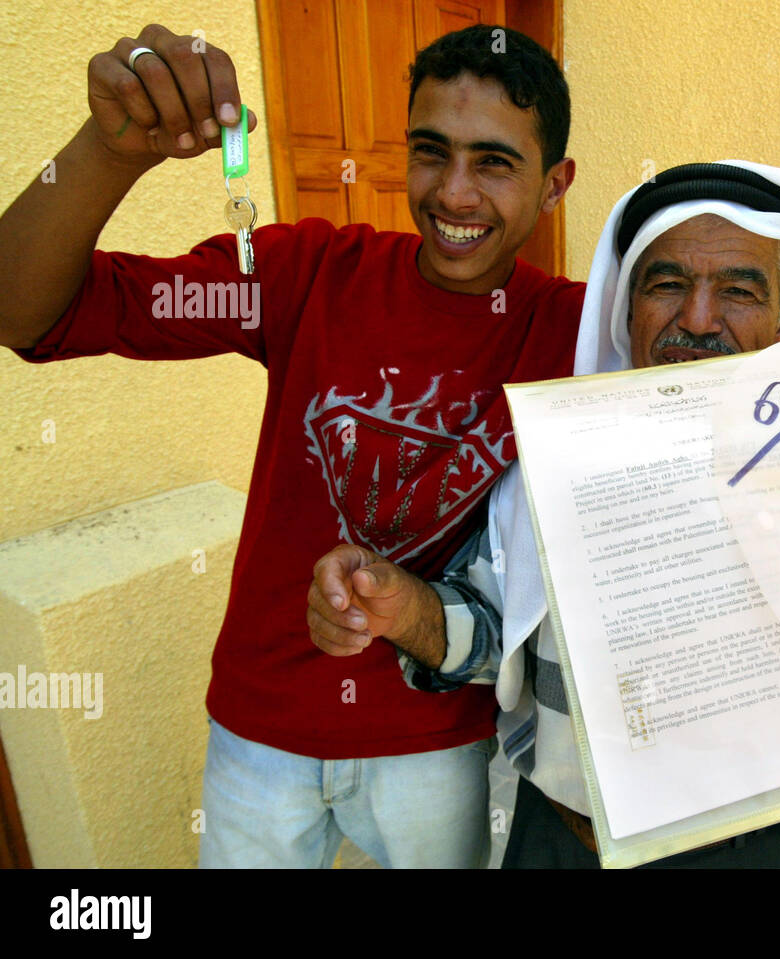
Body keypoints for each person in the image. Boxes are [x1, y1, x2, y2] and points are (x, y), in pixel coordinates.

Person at [0, 23, 583, 868]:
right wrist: (109, 149)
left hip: (445, 739)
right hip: (261, 730)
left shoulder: (574, 335)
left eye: (494, 162)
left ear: (555, 184)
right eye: (431, 151)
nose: (455, 193)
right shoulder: (307, 273)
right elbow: (27, 312)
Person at [314, 161, 780, 867]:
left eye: (739, 290)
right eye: (668, 284)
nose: (699, 319)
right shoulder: (552, 461)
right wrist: (399, 607)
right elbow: (496, 635)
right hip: (562, 845)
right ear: (626, 309)